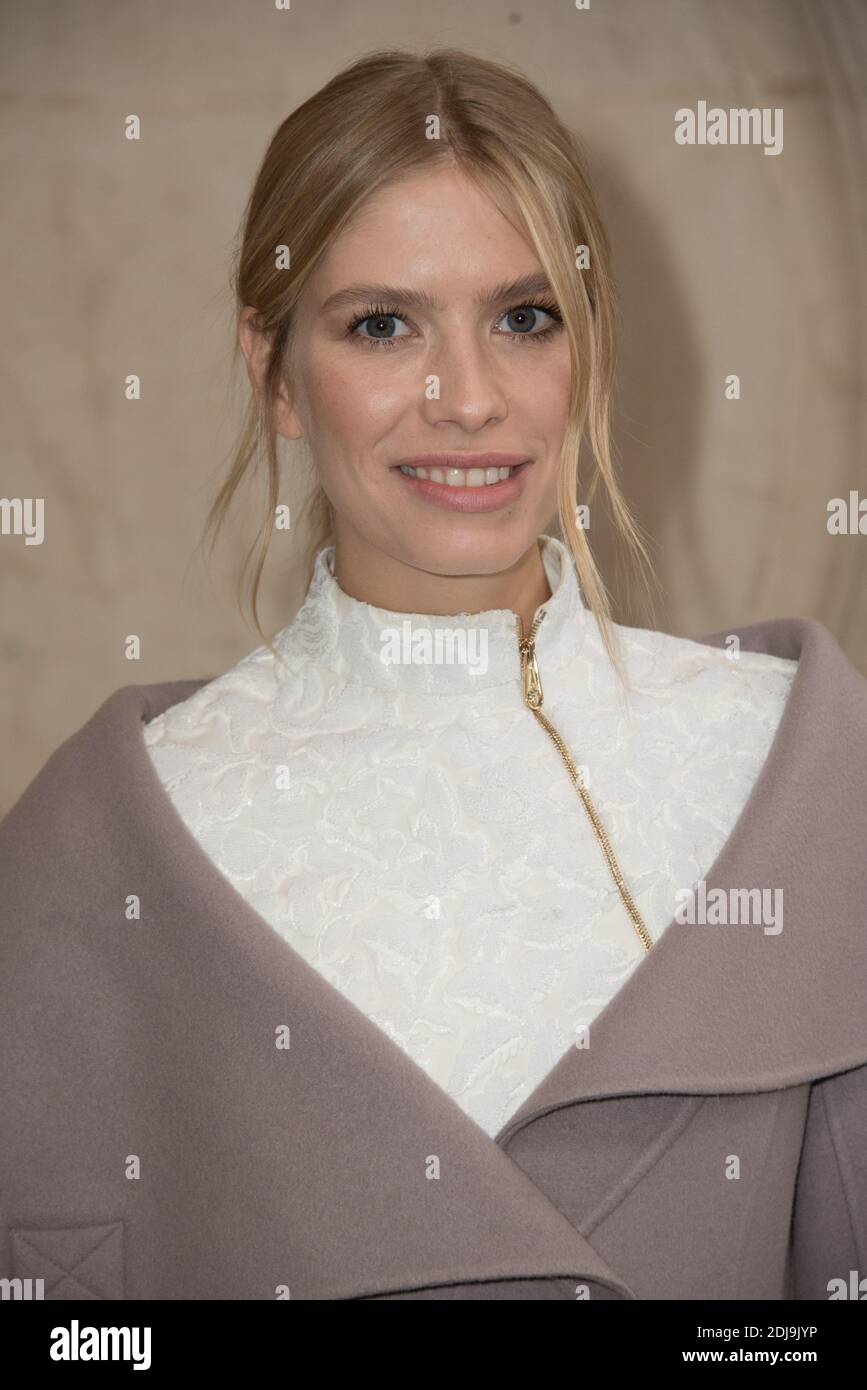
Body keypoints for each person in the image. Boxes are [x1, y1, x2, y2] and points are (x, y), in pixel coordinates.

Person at [2, 47, 866, 1303]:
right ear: (275, 372)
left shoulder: (799, 774)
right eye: (383, 325)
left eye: (525, 318)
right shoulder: (97, 854)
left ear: (591, 344)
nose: (467, 398)